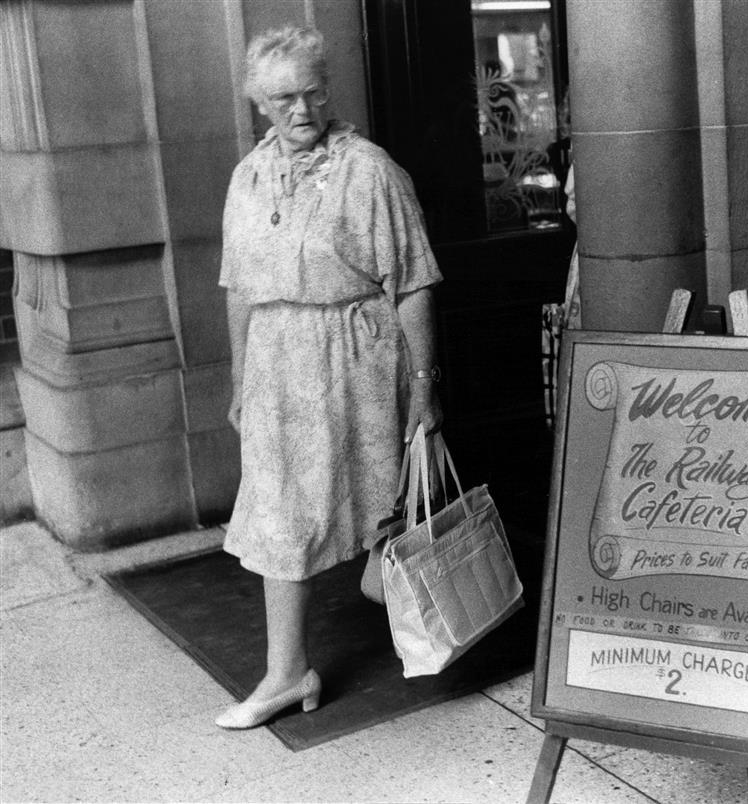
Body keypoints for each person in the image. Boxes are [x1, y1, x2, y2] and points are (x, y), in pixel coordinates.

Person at [215, 24, 443, 729]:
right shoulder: (248, 176)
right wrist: (238, 381)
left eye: (313, 93)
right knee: (278, 515)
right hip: (277, 363)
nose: (302, 111)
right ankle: (287, 674)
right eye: (284, 98)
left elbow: (413, 285)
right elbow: (238, 287)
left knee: (382, 510)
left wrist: (427, 388)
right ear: (259, 102)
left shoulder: (369, 170)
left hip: (358, 357)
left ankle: (436, 629)